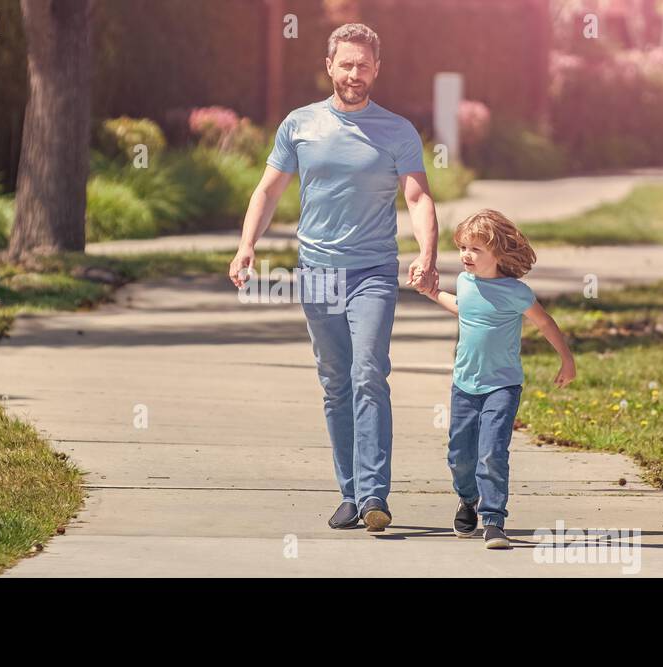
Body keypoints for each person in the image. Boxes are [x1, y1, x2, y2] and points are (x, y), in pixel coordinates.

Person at [227, 23, 441, 532]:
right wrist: (246, 245)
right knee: (335, 382)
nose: (354, 73)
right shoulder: (299, 125)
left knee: (369, 372)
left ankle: (373, 496)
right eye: (346, 64)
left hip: (373, 272)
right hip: (318, 273)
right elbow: (268, 191)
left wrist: (427, 253)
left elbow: (417, 197)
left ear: (376, 69)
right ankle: (349, 493)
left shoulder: (397, 131)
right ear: (329, 66)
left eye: (363, 65)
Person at [416, 209, 576, 549]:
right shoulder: (464, 282)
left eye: (475, 249)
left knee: (491, 452)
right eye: (463, 248)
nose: (466, 255)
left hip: (502, 386)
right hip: (464, 385)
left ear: (498, 254)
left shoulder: (516, 292)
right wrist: (432, 293)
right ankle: (468, 499)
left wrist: (566, 360)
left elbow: (545, 322)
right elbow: (464, 308)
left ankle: (493, 520)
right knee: (459, 454)